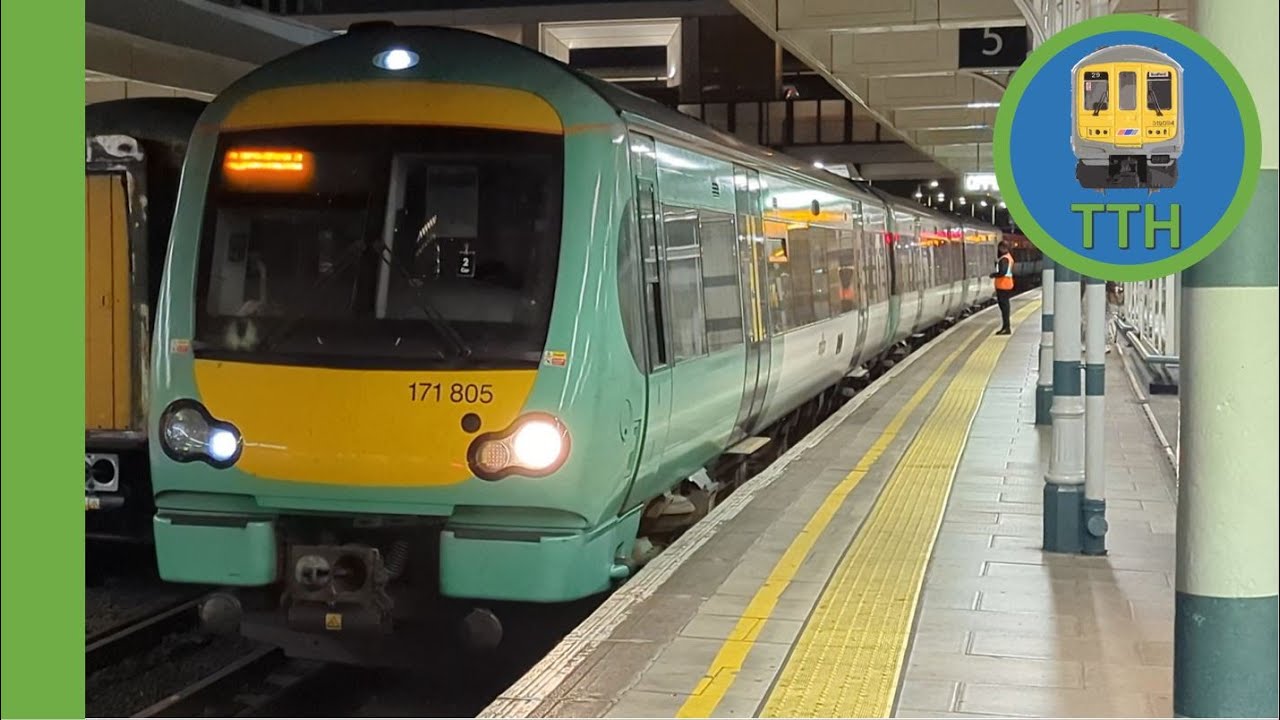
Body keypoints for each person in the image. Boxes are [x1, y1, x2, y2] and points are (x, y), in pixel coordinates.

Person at [990, 241, 1015, 335]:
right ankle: (1005, 327)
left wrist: (993, 275)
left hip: (1003, 285)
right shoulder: (1007, 257)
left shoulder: (1004, 259)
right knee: (1005, 308)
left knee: (1004, 308)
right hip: (1006, 285)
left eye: (1000, 248)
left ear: (1002, 248)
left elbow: (1002, 272)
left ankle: (1006, 328)